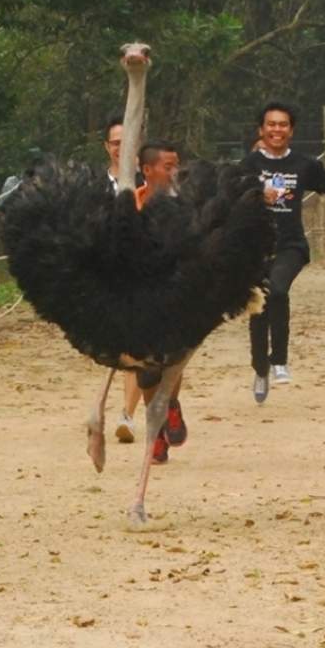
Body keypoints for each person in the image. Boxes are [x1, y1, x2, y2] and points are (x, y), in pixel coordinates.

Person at [241, 102, 325, 404]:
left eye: (283, 124)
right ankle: (260, 368)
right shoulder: (248, 165)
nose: (277, 130)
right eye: (271, 124)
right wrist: (258, 195)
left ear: (291, 130)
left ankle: (280, 360)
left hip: (291, 246)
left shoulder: (305, 164)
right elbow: (231, 198)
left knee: (278, 291)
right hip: (256, 247)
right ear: (261, 129)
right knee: (257, 306)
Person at [115, 142, 188, 464]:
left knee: (171, 361)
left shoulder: (189, 204)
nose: (175, 172)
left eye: (177, 165)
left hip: (178, 295)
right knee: (144, 368)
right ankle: (156, 429)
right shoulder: (132, 203)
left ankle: (170, 404)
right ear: (148, 170)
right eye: (168, 166)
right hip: (139, 297)